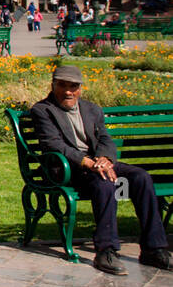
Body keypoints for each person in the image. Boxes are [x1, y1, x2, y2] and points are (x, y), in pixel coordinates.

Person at [31, 65, 170, 274]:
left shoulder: (91, 109)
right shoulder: (43, 110)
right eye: (62, 86)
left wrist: (105, 159)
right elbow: (54, 144)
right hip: (69, 168)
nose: (68, 92)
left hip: (97, 164)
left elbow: (105, 138)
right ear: (53, 85)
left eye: (73, 87)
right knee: (105, 184)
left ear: (80, 88)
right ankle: (106, 251)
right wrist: (88, 162)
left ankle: (153, 248)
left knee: (141, 177)